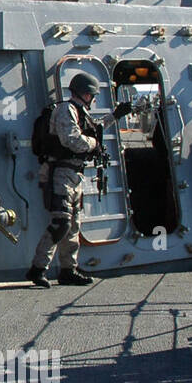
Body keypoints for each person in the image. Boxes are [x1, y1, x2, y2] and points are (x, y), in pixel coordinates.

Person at [27, 72, 114, 288]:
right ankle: (38, 269)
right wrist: (94, 144)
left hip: (75, 174)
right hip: (61, 173)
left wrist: (116, 116)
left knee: (74, 225)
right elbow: (72, 140)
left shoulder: (80, 113)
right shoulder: (66, 110)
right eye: (92, 95)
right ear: (85, 94)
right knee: (61, 223)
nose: (93, 100)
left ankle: (68, 269)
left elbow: (95, 129)